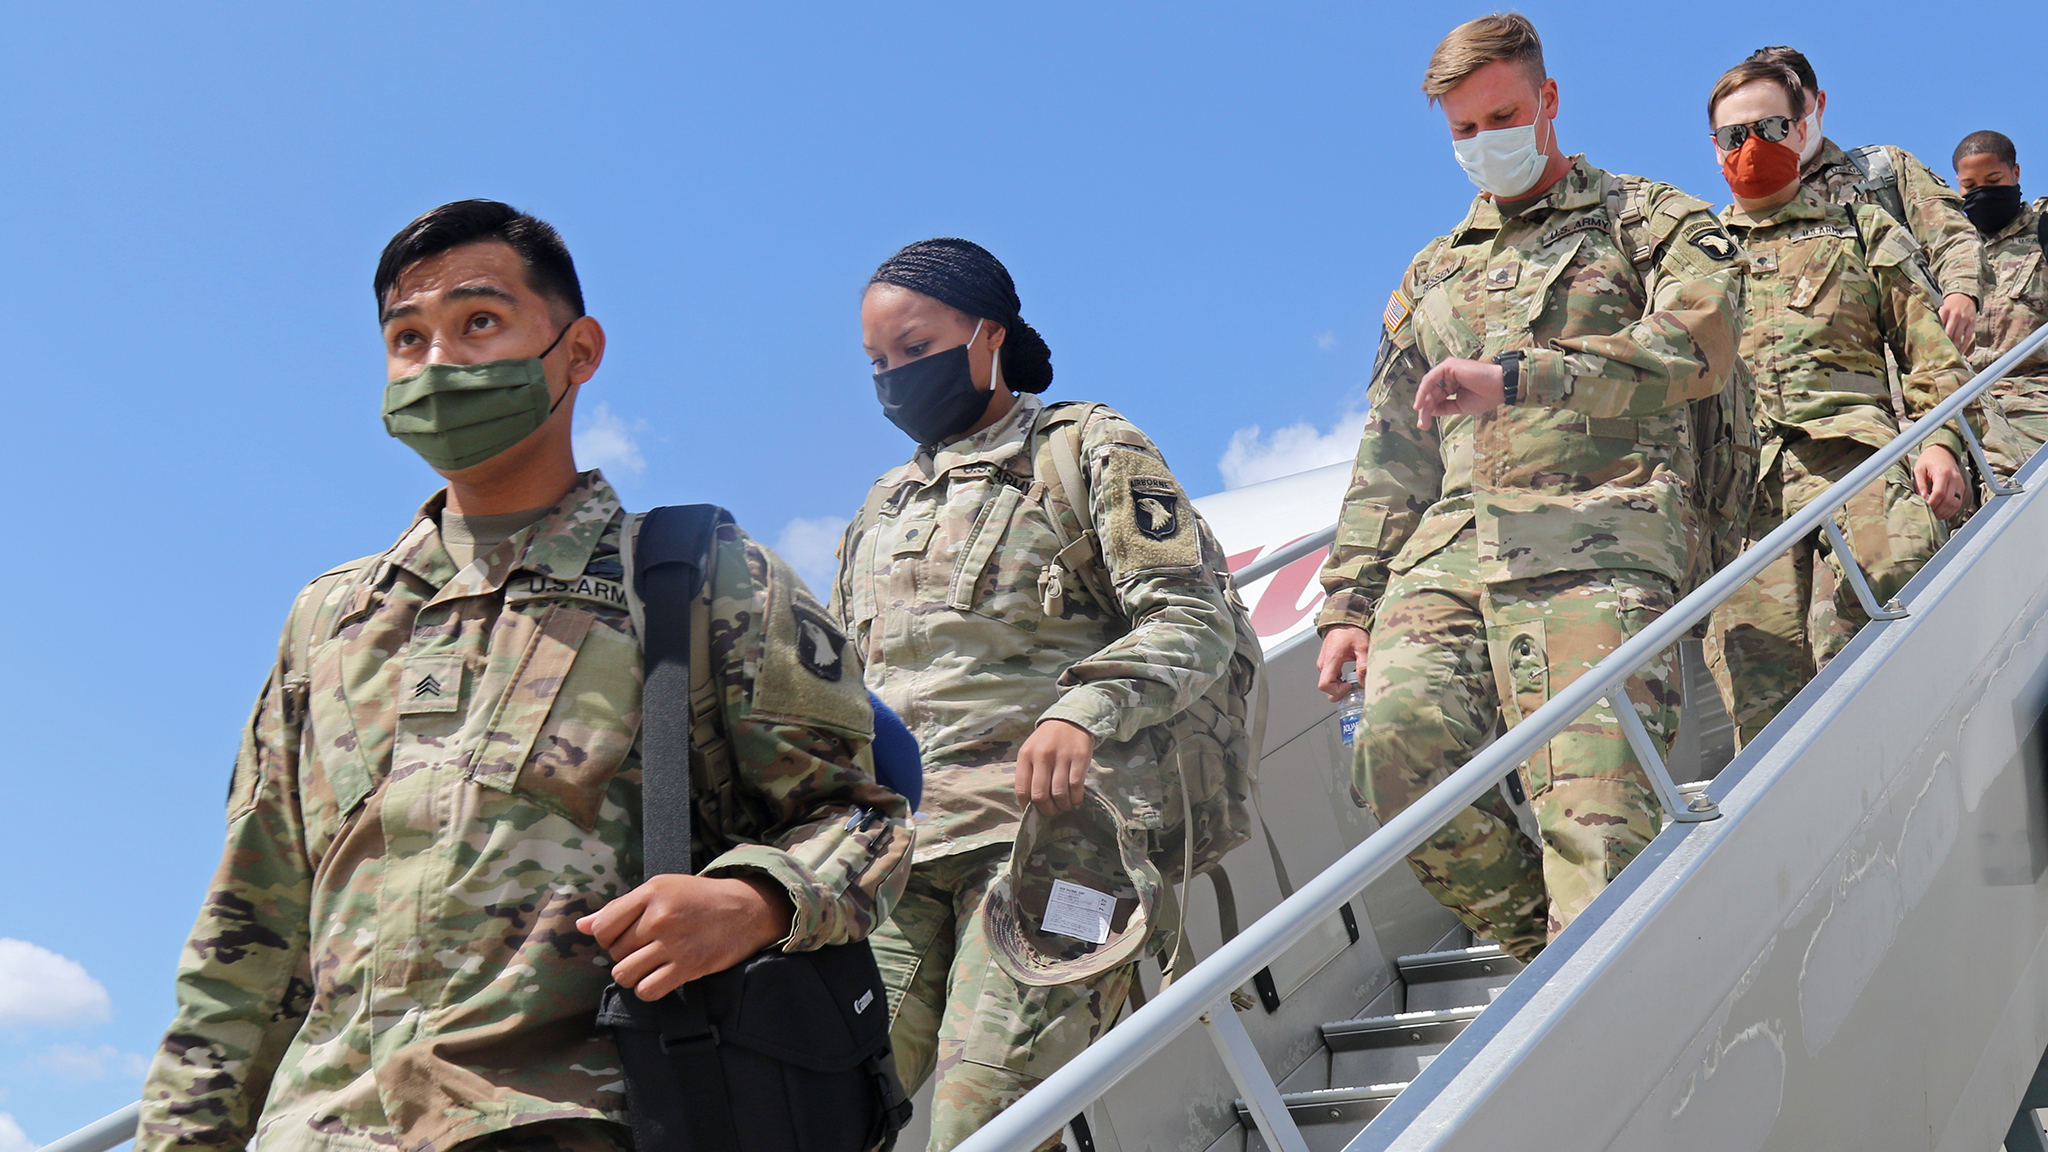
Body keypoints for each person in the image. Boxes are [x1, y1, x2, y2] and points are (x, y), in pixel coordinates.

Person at [135, 200, 912, 1152]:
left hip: (567, 1121)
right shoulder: (328, 622)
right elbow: (246, 939)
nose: (438, 362)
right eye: (406, 338)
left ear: (577, 352)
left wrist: (753, 900)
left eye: (480, 323)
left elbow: (864, 816)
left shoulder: (694, 577)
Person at [1312, 14, 1745, 962]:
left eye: (1500, 117)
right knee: (1390, 759)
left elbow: (1697, 348)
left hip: (1597, 537)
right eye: (1462, 130)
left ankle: (1593, 959)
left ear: (1548, 102)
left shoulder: (1644, 218)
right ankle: (1560, 965)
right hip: (1449, 553)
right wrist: (1349, 599)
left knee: (1593, 816)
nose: (1482, 145)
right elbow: (1393, 444)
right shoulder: (1433, 271)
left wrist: (1519, 376)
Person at [831, 238, 1235, 1151]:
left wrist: (1079, 710)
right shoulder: (878, 510)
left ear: (988, 335)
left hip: (1050, 847)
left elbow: (1191, 618)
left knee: (987, 1122)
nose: (897, 377)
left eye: (916, 346)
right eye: (878, 363)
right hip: (897, 861)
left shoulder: (1084, 448)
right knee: (819, 1112)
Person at [1705, 60, 1968, 746]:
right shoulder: (1690, 262)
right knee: (1766, 722)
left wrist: (1940, 440)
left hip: (1859, 470)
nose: (1749, 147)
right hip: (1743, 506)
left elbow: (1928, 347)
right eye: (1732, 136)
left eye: (1767, 128)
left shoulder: (1862, 228)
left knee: (1877, 666)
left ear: (1801, 130)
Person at [1749, 45, 1982, 355]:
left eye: (1797, 108)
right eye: (1773, 119)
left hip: (1909, 379)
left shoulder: (1885, 170)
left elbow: (1954, 238)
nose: (1791, 125)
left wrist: (1961, 294)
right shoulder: (1747, 216)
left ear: (1819, 103)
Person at [1954, 130, 2048, 476]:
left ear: (2016, 174)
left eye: (1994, 179)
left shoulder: (2043, 233)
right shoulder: (1950, 253)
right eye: (1969, 185)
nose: (1982, 192)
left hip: (2032, 398)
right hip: (1961, 402)